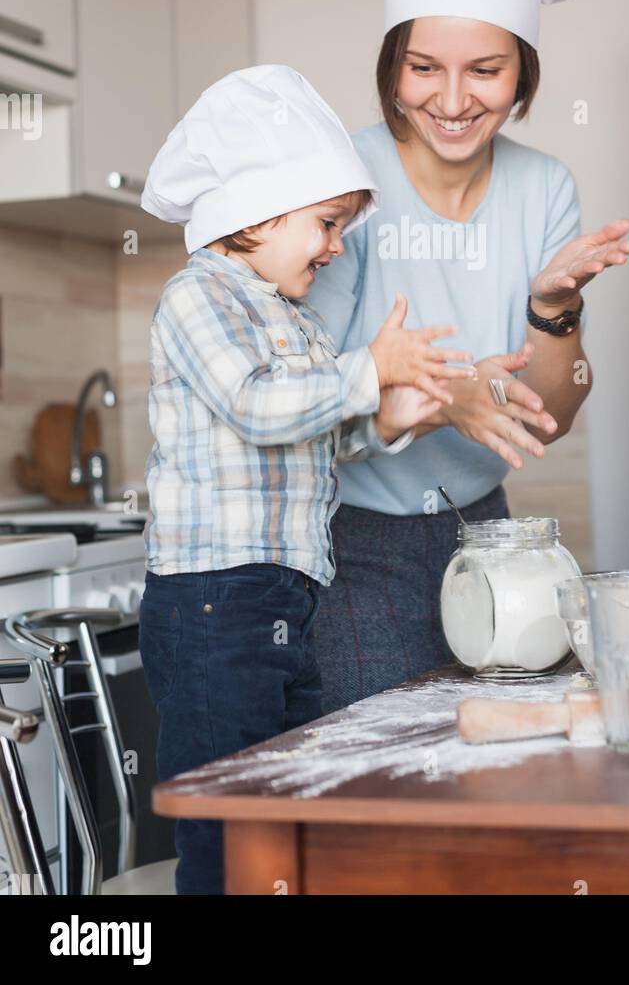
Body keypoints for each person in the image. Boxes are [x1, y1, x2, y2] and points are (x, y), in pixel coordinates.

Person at [137, 63, 473, 893]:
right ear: (259, 210)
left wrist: (389, 415)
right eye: (325, 224)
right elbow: (257, 406)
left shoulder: (291, 316)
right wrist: (369, 366)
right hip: (212, 604)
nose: (334, 246)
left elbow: (307, 432)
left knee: (286, 795)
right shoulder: (197, 298)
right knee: (229, 809)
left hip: (284, 601)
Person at [307, 0, 629, 712]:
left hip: (489, 527)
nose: (452, 101)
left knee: (490, 759)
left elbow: (548, 417)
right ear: (392, 68)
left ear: (521, 71)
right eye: (424, 68)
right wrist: (441, 398)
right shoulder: (339, 179)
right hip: (353, 539)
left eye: (484, 70)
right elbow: (308, 390)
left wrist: (549, 307)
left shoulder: (543, 187)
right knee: (380, 768)